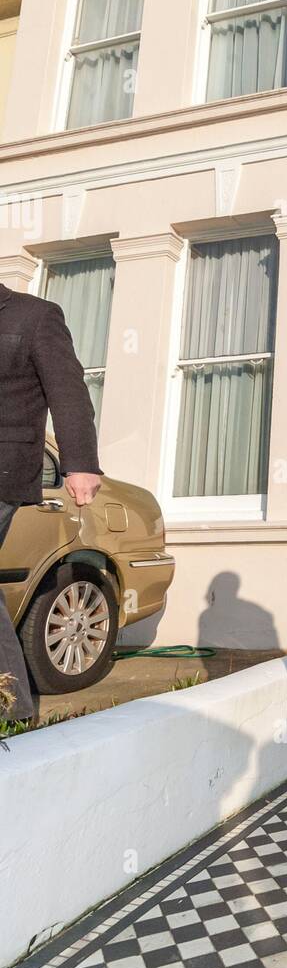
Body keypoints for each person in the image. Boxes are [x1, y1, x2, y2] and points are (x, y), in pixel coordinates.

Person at [0, 283, 103, 722]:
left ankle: (12, 709)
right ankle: (13, 706)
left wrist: (80, 463)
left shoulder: (36, 315)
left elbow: (68, 392)